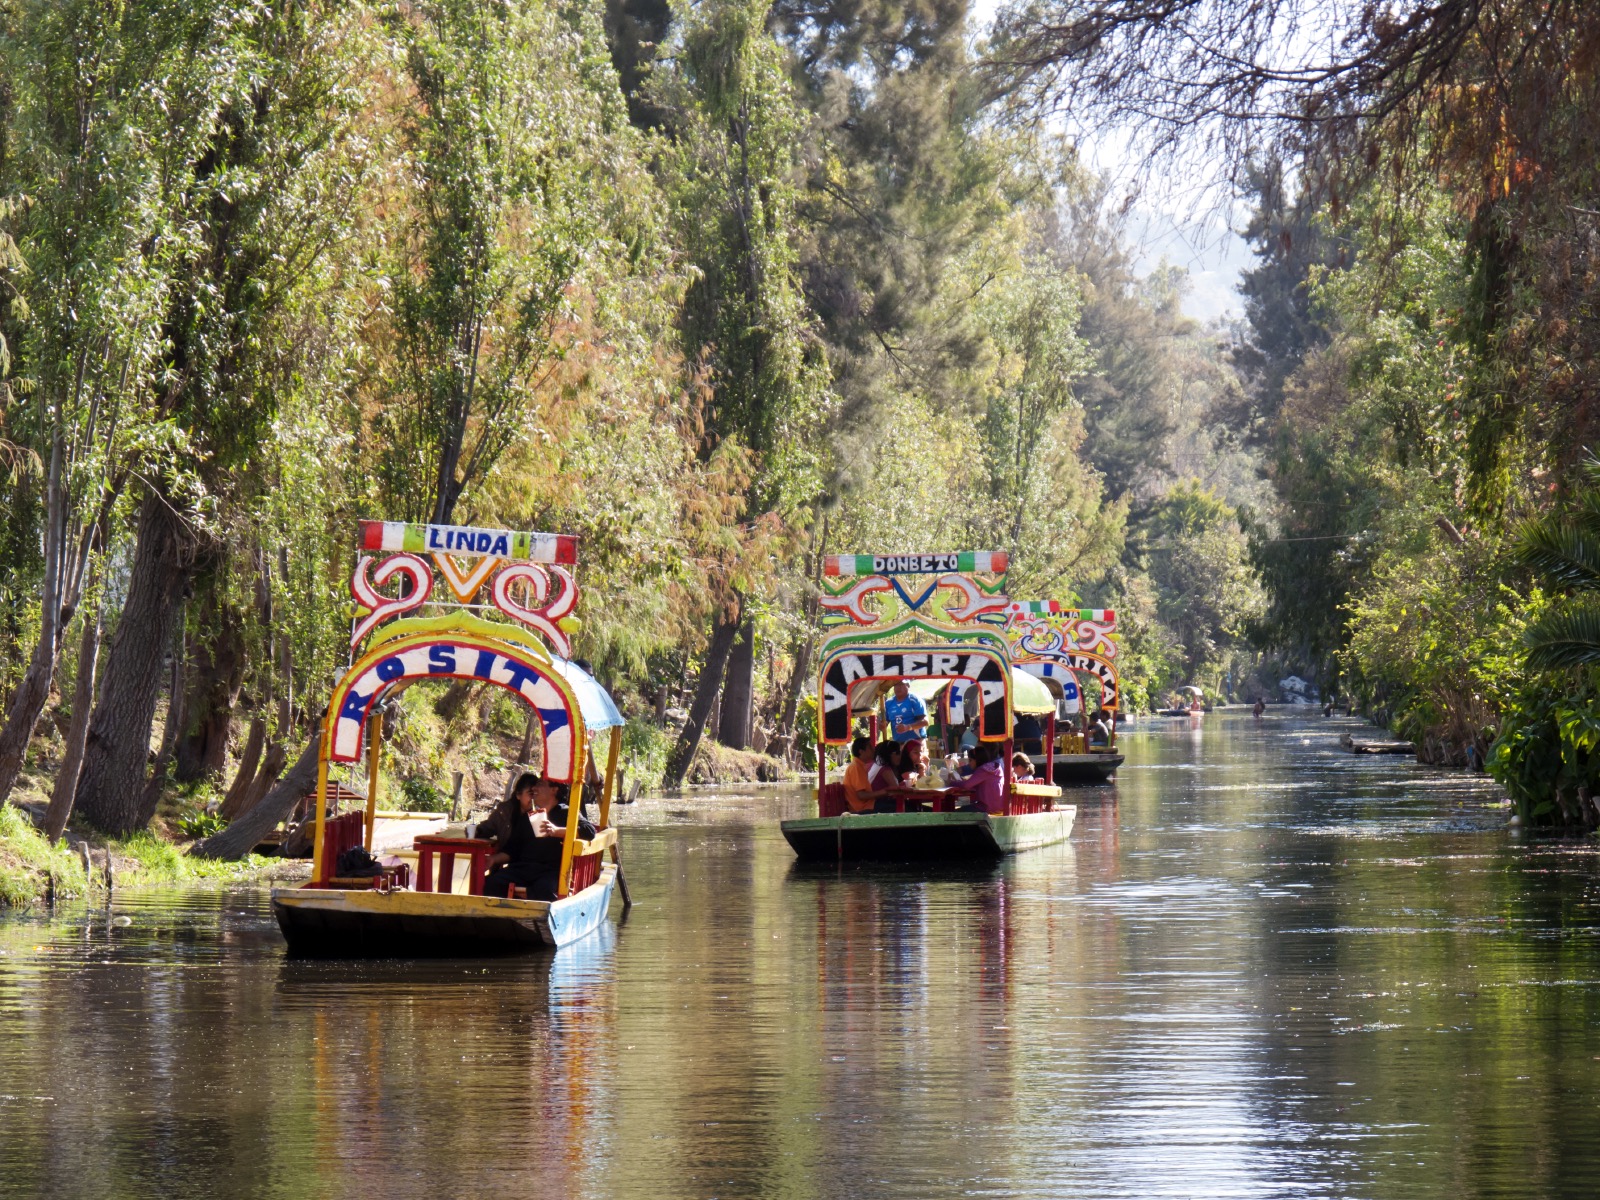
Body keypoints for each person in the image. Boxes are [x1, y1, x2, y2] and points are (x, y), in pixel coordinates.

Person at [478, 772, 594, 900]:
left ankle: (538, 912)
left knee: (544, 889)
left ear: (554, 790)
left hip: (552, 871)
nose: (534, 788)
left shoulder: (567, 813)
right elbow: (512, 850)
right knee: (493, 882)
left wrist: (557, 831)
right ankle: (500, 913)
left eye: (540, 784)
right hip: (523, 869)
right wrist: (493, 859)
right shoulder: (528, 817)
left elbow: (589, 831)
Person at [958, 744, 1007, 814]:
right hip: (998, 807)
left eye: (970, 760)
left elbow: (966, 785)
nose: (969, 763)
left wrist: (951, 782)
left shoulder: (983, 770)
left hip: (987, 808)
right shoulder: (994, 766)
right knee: (964, 807)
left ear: (977, 760)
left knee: (957, 812)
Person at [884, 679, 928, 744]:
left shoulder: (915, 700)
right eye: (896, 685)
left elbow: (925, 722)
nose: (898, 687)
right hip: (898, 743)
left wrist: (908, 727)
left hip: (916, 742)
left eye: (901, 684)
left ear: (908, 685)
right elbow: (885, 721)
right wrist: (882, 724)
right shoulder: (889, 703)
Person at [841, 735, 875, 814]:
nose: (873, 749)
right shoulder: (856, 767)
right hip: (863, 809)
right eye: (870, 748)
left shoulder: (860, 765)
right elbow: (861, 795)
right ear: (861, 751)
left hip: (868, 805)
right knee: (894, 806)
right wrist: (884, 792)